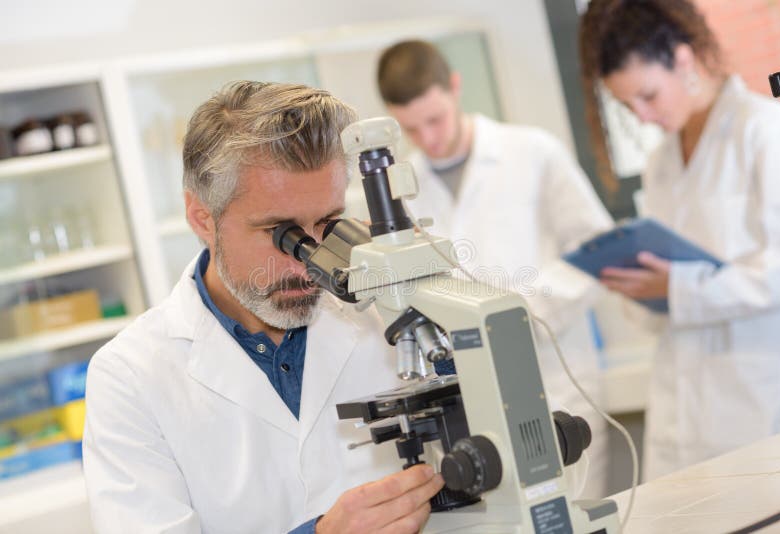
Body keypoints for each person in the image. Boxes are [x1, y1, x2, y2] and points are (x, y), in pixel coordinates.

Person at [82, 81, 444, 533]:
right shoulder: (128, 376)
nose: (309, 258)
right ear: (201, 218)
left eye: (327, 223)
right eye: (281, 233)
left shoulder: (386, 312)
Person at [376, 40, 614, 498]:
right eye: (411, 128)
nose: (428, 138)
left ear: (456, 88)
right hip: (469, 390)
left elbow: (595, 251)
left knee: (571, 509)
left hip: (556, 377)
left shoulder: (533, 151)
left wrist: (522, 309)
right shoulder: (404, 188)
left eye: (435, 120)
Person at [579, 0, 780, 480]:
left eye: (648, 95)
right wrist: (641, 288)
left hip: (759, 403)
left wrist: (683, 287)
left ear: (683, 58)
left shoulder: (765, 130)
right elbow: (667, 286)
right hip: (681, 407)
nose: (641, 116)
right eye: (625, 105)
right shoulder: (660, 163)